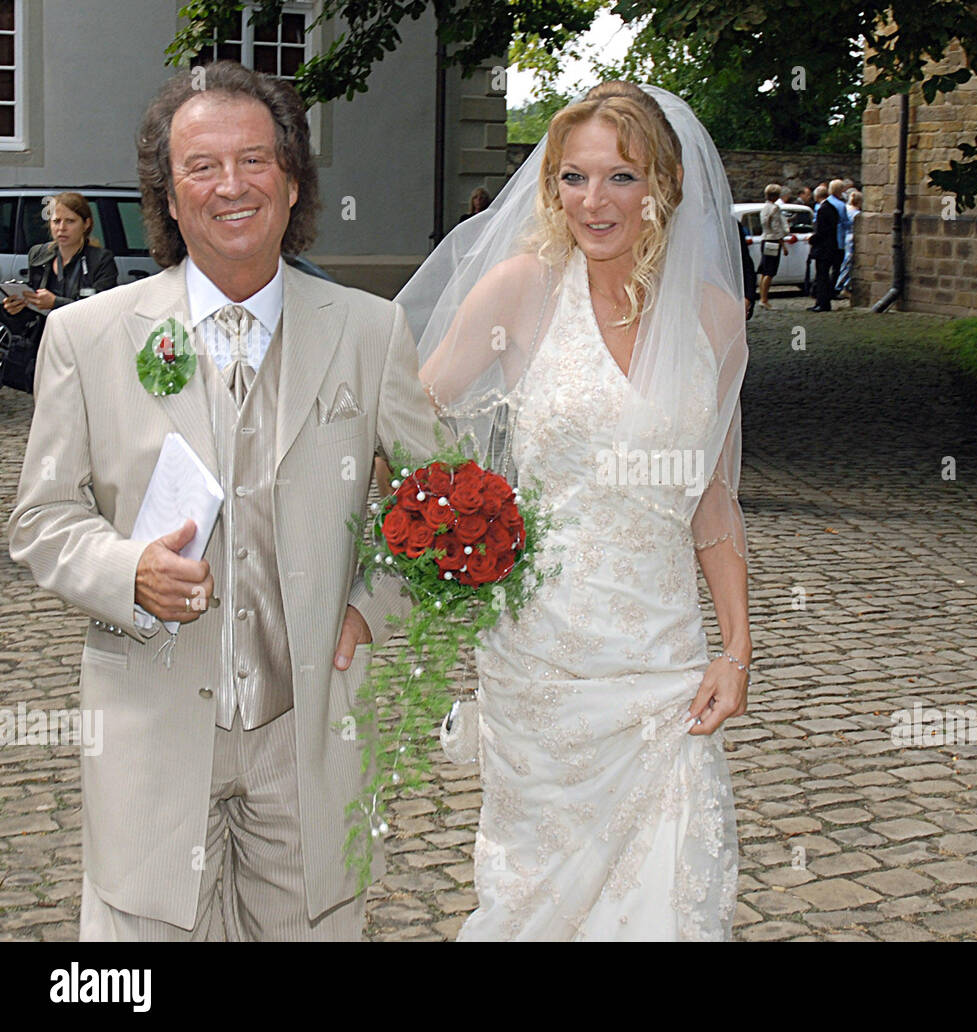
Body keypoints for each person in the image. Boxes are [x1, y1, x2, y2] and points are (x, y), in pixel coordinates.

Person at [7, 60, 437, 940]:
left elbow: (443, 503)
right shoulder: (85, 336)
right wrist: (127, 570)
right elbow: (42, 519)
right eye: (201, 166)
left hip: (306, 730)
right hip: (154, 724)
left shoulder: (370, 331)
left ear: (291, 180)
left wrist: (369, 606)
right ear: (167, 195)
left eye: (254, 160)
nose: (230, 185)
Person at [396, 80, 750, 940]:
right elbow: (408, 420)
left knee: (667, 895)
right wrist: (450, 525)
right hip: (541, 656)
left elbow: (711, 496)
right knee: (537, 899)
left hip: (663, 657)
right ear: (551, 186)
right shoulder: (520, 292)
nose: (596, 202)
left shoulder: (717, 317)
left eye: (621, 178)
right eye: (574, 178)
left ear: (663, 185)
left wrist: (737, 646)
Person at [1, 192, 118, 392]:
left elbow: (101, 309)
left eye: (70, 221)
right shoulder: (39, 255)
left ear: (86, 224)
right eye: (56, 221)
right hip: (45, 349)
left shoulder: (100, 260)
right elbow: (32, 316)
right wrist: (15, 309)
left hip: (84, 350)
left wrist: (55, 302)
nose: (61, 228)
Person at [757, 182, 788, 311]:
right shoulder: (774, 209)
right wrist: (783, 243)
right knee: (769, 271)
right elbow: (776, 228)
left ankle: (762, 296)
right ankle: (764, 299)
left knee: (765, 270)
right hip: (773, 241)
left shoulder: (765, 207)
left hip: (765, 239)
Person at [809, 184, 837, 311]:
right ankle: (821, 302)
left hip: (823, 249)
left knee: (822, 277)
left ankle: (822, 303)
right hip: (830, 247)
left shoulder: (822, 210)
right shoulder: (832, 208)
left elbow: (821, 232)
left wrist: (811, 239)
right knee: (823, 276)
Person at [826, 179, 851, 297]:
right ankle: (833, 290)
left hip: (828, 240)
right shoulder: (840, 205)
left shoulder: (825, 203)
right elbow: (846, 223)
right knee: (836, 267)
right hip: (839, 240)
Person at [835, 188, 862, 297]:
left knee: (845, 261)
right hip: (851, 238)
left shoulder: (845, 209)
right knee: (849, 262)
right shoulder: (856, 214)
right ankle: (842, 285)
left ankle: (841, 285)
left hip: (844, 237)